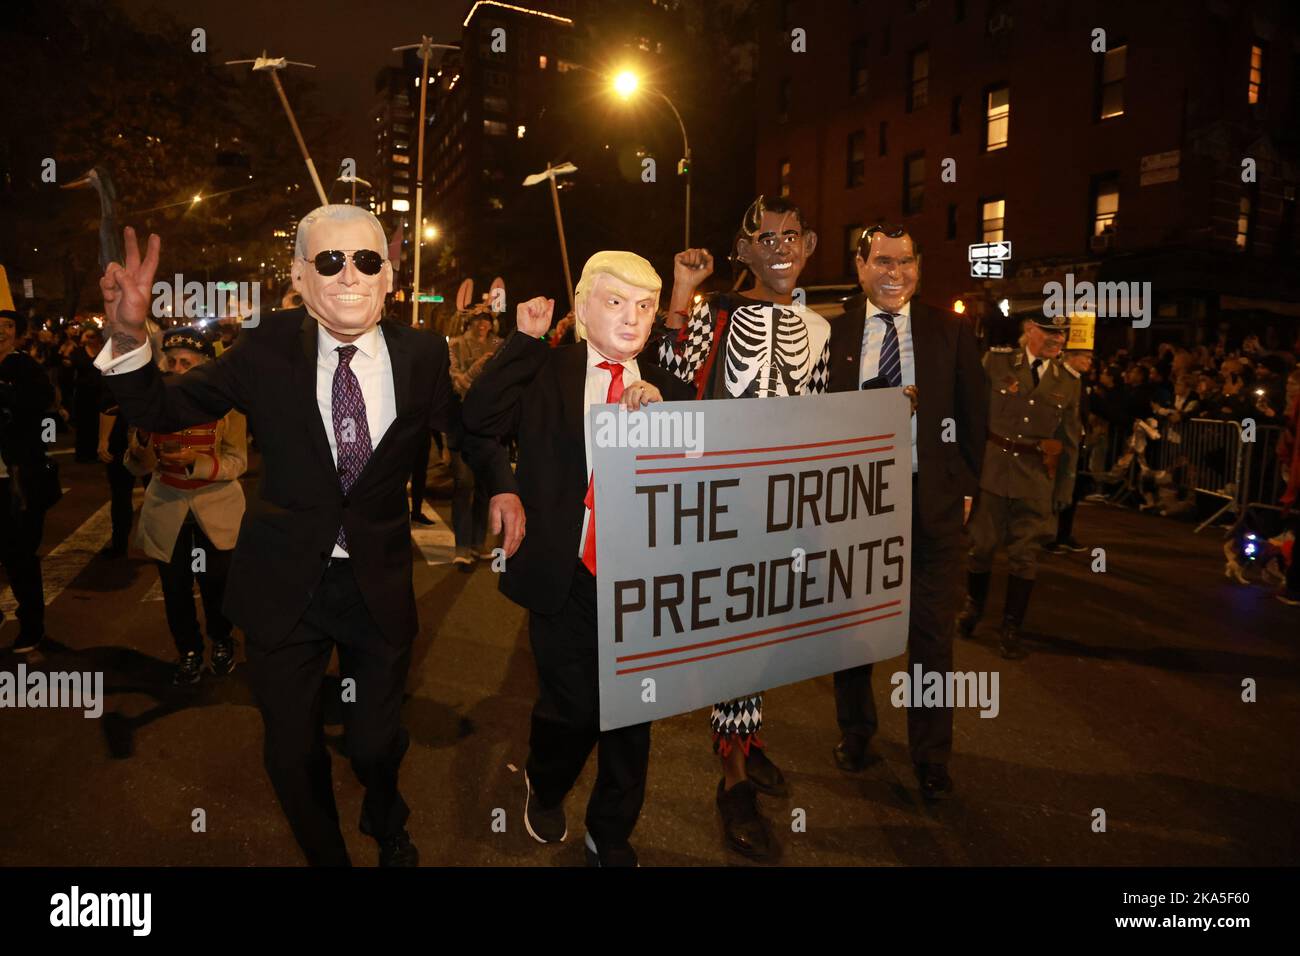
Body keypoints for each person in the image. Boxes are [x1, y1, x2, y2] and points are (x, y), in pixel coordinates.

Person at [96, 206, 518, 867]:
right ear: (299, 275)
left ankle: (386, 814)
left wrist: (501, 482)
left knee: (376, 744)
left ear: (389, 279)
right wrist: (126, 335)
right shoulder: (264, 348)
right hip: (282, 585)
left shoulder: (422, 354)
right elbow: (162, 408)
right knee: (291, 753)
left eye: (367, 261)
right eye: (329, 260)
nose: (349, 274)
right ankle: (328, 856)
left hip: (374, 584)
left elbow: (465, 431)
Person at [462, 252, 695, 866]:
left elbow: (706, 476)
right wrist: (523, 341)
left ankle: (610, 830)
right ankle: (547, 777)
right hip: (564, 573)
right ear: (584, 309)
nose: (632, 318)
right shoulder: (546, 368)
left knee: (634, 712)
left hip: (644, 578)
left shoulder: (666, 386)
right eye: (615, 302)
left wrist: (668, 419)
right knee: (572, 706)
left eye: (645, 306)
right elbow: (478, 422)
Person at [647, 194, 831, 861]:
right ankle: (731, 783)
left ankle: (747, 745)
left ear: (807, 245)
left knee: (763, 645)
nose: (780, 247)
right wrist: (682, 290)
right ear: (744, 250)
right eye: (766, 238)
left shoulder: (820, 329)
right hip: (725, 510)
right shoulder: (719, 313)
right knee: (734, 648)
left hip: (786, 513)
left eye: (792, 236)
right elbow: (667, 371)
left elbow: (818, 417)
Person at [824, 225, 987, 800]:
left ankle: (931, 756)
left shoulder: (950, 329)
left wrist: (965, 485)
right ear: (861, 265)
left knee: (932, 638)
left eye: (907, 261)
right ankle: (857, 732)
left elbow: (974, 415)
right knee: (853, 632)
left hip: (933, 508)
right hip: (856, 507)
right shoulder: (832, 331)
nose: (896, 273)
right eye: (883, 261)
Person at [122, 326, 248, 685]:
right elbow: (134, 466)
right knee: (175, 589)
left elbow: (239, 461)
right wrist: (143, 439)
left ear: (204, 367)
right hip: (168, 508)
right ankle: (188, 650)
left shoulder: (228, 405)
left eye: (187, 363)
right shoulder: (152, 403)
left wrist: (198, 462)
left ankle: (221, 640)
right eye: (173, 361)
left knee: (216, 585)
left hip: (215, 509)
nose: (178, 369)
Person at [958, 313, 1080, 659]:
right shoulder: (997, 362)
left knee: (1025, 556)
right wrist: (965, 468)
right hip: (993, 471)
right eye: (1051, 335)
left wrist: (1063, 492)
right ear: (1030, 331)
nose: (1059, 341)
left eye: (1062, 336)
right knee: (981, 547)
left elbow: (1069, 441)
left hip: (1036, 478)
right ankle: (973, 608)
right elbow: (972, 414)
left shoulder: (1068, 381)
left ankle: (1012, 626)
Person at [0, 309, 57, 653]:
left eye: (7, 327)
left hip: (16, 479)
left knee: (18, 555)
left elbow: (39, 405)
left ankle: (31, 626)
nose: (0, 333)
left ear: (19, 335)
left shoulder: (26, 369)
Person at [446, 306, 502, 566]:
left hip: (490, 426)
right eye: (478, 320)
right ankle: (461, 547)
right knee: (463, 483)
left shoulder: (499, 345)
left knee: (483, 486)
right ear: (469, 323)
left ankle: (479, 544)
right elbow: (456, 383)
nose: (483, 325)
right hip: (460, 424)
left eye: (487, 321)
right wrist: (478, 368)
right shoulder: (456, 345)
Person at [1046, 347, 1094, 554]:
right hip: (1057, 444)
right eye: (1086, 357)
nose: (1090, 361)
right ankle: (1048, 536)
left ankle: (1063, 534)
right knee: (1052, 490)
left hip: (1074, 443)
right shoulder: (1057, 377)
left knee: (1069, 490)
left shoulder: (1078, 380)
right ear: (1071, 356)